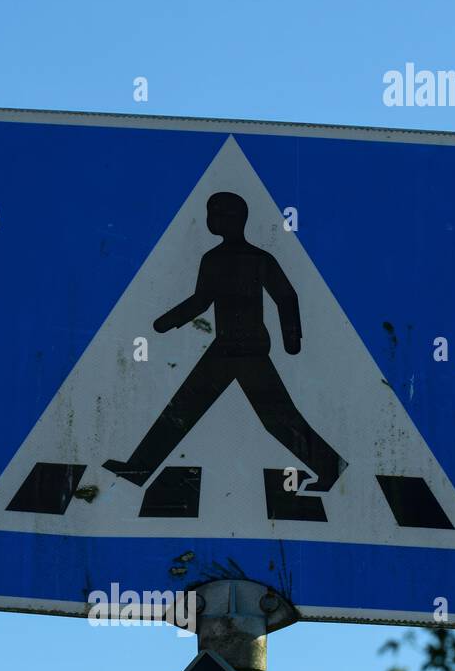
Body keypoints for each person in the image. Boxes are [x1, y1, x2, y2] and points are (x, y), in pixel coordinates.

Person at [103, 191, 344, 491]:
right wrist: (167, 322)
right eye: (210, 214)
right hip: (225, 348)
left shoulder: (257, 259)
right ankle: (139, 468)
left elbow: (286, 296)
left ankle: (330, 466)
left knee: (277, 418)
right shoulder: (214, 259)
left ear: (232, 219)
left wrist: (291, 339)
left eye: (215, 214)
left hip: (250, 350)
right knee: (182, 409)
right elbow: (201, 301)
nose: (210, 220)